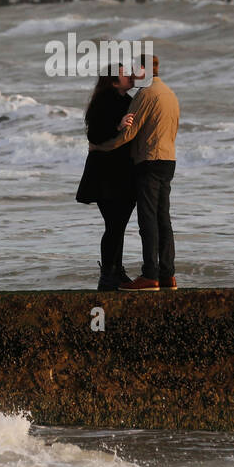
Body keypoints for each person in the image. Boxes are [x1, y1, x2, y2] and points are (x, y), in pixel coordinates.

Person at [90, 54, 179, 290]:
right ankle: (167, 275)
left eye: (133, 69)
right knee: (163, 220)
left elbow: (128, 135)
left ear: (143, 70)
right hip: (168, 160)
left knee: (148, 220)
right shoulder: (169, 93)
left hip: (149, 162)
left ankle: (150, 276)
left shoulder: (145, 94)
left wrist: (101, 146)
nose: (131, 74)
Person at [75, 66, 138, 291]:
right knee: (114, 224)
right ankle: (108, 274)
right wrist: (118, 126)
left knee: (118, 224)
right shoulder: (103, 101)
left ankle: (116, 271)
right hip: (105, 175)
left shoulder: (128, 100)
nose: (130, 75)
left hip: (123, 173)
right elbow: (94, 135)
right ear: (113, 82)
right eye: (124, 74)